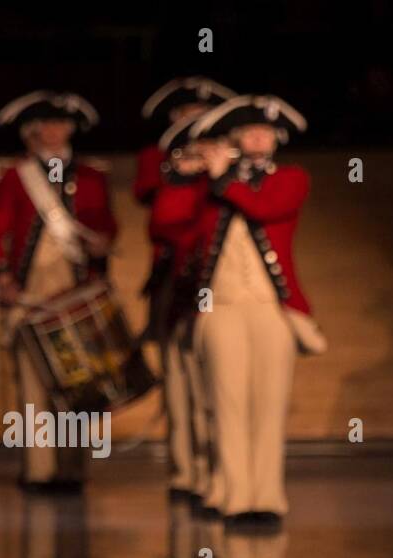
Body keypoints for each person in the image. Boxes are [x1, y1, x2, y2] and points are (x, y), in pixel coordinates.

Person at [181, 94, 323, 524]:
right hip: (221, 305)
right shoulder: (211, 184)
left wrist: (222, 177)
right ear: (236, 139)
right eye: (250, 133)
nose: (259, 139)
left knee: (270, 403)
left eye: (265, 133)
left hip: (270, 307)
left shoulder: (292, 178)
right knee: (228, 403)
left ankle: (268, 497)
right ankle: (237, 497)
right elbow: (171, 221)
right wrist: (188, 174)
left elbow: (267, 207)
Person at [0, 91, 117, 490]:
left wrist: (104, 241)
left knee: (80, 382)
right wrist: (3, 274)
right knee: (33, 383)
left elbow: (106, 223)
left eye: (61, 125)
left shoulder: (92, 177)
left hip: (76, 289)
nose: (55, 132)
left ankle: (74, 469)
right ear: (32, 133)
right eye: (47, 126)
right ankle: (39, 471)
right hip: (32, 290)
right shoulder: (15, 177)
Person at [137, 77, 234, 499]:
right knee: (179, 379)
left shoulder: (232, 174)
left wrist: (220, 173)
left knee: (218, 387)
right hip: (176, 283)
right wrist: (178, 172)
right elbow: (158, 214)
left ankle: (220, 474)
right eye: (187, 118)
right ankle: (186, 472)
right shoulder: (163, 162)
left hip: (222, 291)